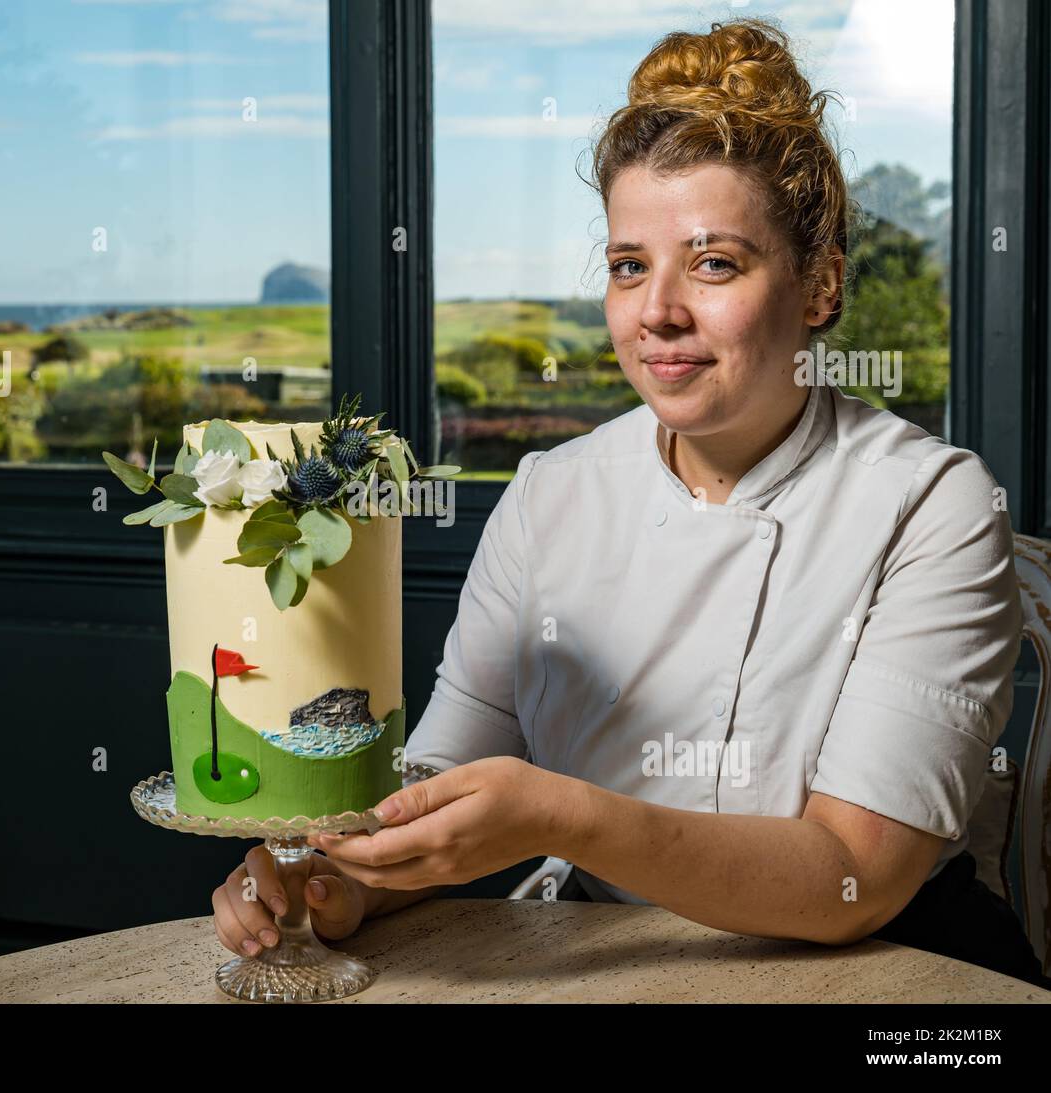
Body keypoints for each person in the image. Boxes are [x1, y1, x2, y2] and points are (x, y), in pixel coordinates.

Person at [211, 16, 1049, 991]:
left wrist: (556, 815)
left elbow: (850, 875)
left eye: (714, 263)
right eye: (627, 265)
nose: (656, 311)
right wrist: (343, 882)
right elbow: (439, 792)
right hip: (609, 958)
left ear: (819, 284)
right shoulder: (549, 496)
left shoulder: (928, 502)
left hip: (894, 964)